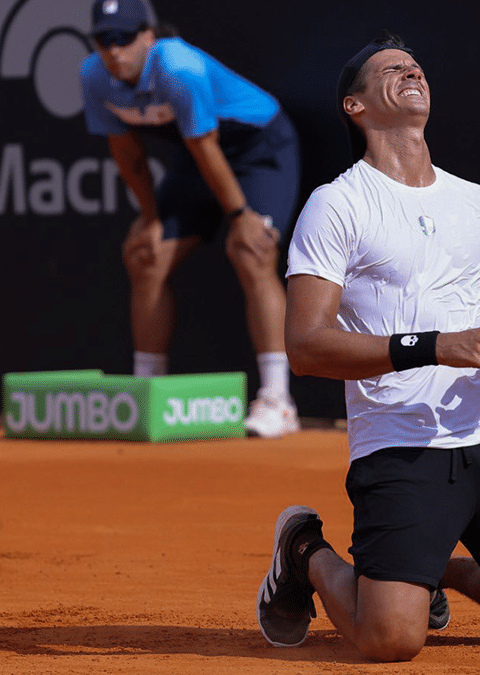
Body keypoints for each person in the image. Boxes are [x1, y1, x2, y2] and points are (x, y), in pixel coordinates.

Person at [255, 34, 480, 661]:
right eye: (390, 69)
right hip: (398, 442)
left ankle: (442, 570)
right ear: (354, 107)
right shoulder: (336, 206)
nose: (411, 71)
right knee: (391, 640)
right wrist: (434, 345)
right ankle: (305, 550)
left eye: (415, 66)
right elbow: (305, 347)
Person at [79, 0, 300, 437]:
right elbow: (127, 155)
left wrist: (241, 216)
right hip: (197, 159)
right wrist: (150, 218)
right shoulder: (94, 76)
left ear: (148, 35)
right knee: (147, 256)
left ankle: (279, 400)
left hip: (259, 152)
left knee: (251, 251)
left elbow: (206, 145)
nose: (114, 50)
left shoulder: (179, 67)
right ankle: (146, 394)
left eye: (124, 38)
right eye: (104, 40)